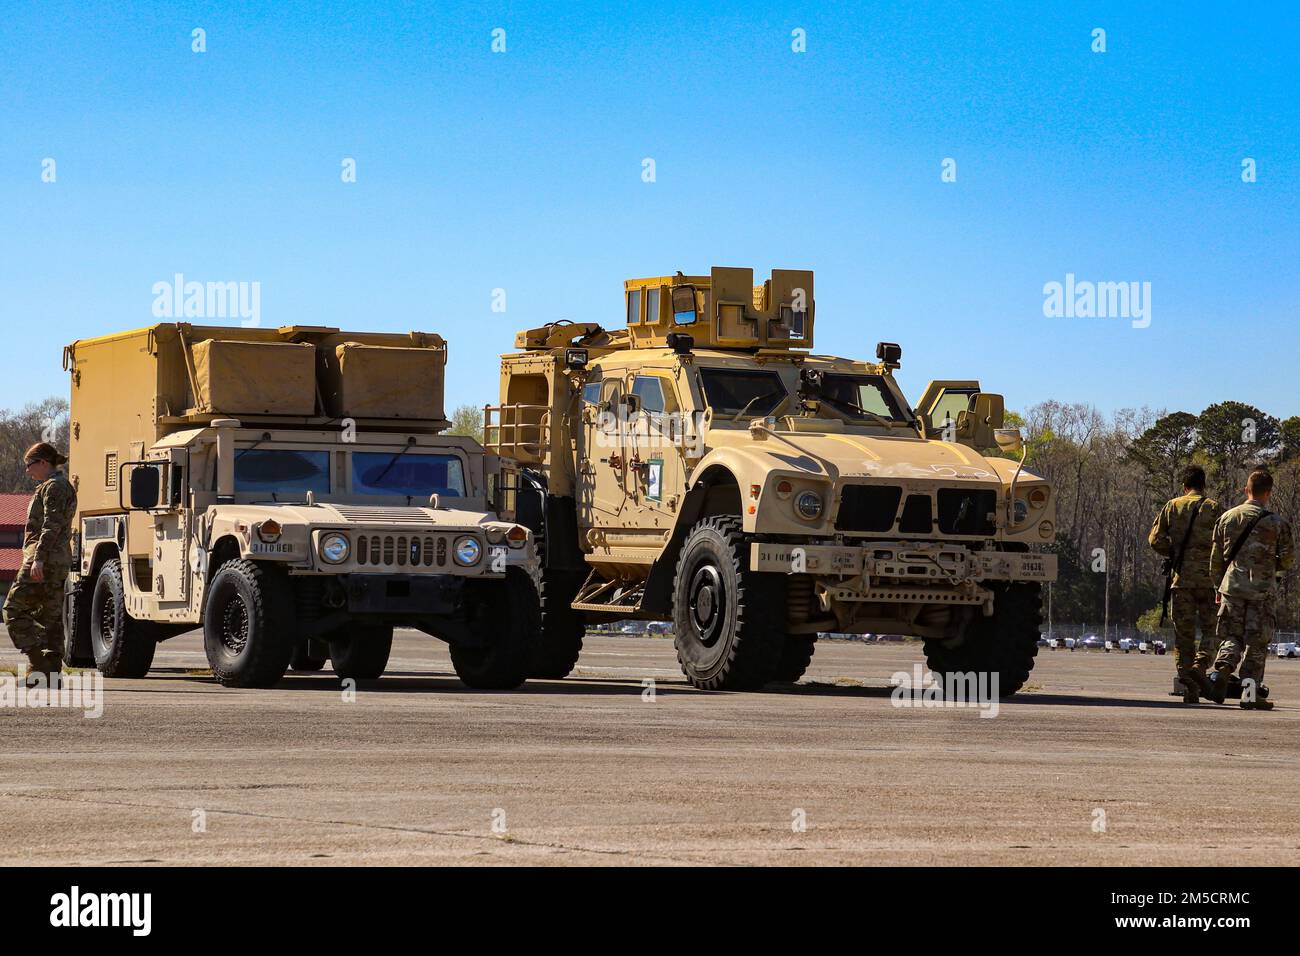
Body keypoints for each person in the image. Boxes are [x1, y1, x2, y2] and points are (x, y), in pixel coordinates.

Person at [1204, 469, 1294, 710]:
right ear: (1269, 493)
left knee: (1232, 636)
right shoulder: (1277, 523)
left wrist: (1218, 587)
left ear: (1247, 490)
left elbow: (1216, 561)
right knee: (1257, 642)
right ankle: (1249, 693)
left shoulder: (1227, 518)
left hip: (1232, 587)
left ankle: (1222, 671)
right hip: (1262, 591)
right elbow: (1287, 560)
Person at [2, 442, 77, 688]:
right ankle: (51, 675)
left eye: (29, 465)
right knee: (51, 616)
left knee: (12, 609)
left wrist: (39, 558)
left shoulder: (54, 487)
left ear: (43, 463)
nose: (27, 471)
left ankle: (38, 663)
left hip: (44, 559)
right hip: (56, 559)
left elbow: (51, 526)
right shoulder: (57, 486)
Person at [1148, 465, 1221, 703]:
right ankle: (1200, 669)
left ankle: (1189, 687)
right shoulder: (1214, 509)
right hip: (1210, 582)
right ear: (1203, 485)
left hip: (1181, 582)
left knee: (1183, 637)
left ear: (1184, 485)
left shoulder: (1172, 506)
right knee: (1213, 631)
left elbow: (1155, 539)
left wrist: (1175, 552)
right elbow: (1226, 543)